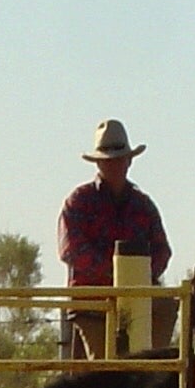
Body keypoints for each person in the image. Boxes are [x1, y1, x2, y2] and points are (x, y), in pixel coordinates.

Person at [56, 120, 171, 357]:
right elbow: (72, 251)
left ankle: (151, 367)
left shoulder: (143, 205)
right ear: (98, 163)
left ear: (129, 161)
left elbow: (162, 250)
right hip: (93, 303)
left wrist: (141, 279)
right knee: (104, 370)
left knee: (167, 307)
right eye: (108, 160)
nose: (115, 164)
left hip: (138, 302)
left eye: (119, 158)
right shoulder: (79, 201)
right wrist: (117, 277)